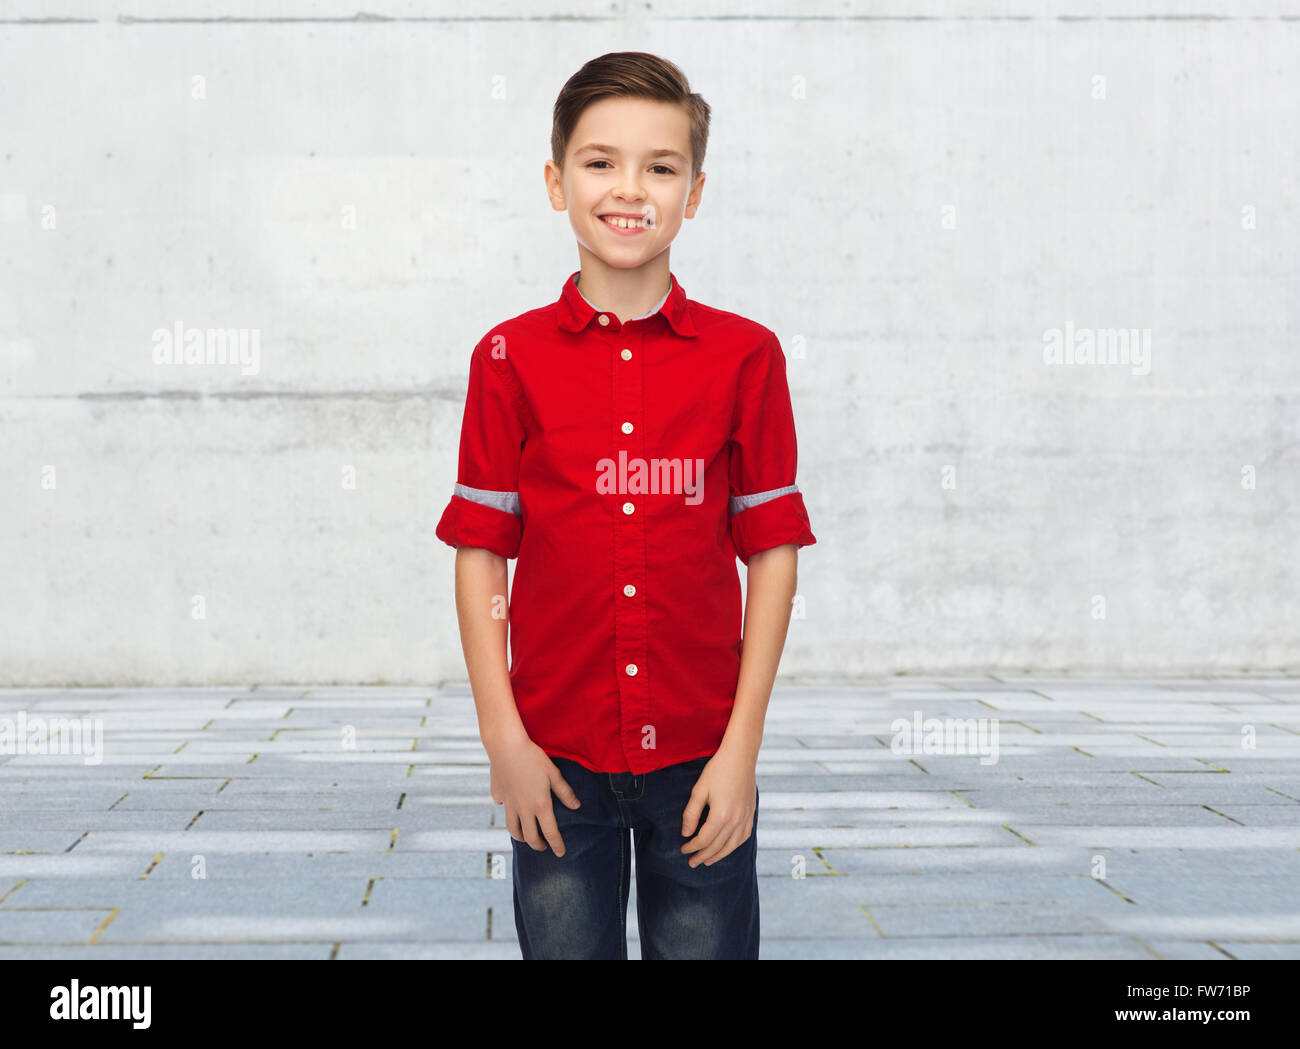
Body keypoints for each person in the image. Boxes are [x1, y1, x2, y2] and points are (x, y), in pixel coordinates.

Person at [435, 51, 816, 960]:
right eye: (600, 161)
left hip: (700, 755)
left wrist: (741, 755)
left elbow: (772, 551)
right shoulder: (507, 358)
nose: (629, 188)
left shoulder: (746, 357)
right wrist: (506, 743)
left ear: (696, 189)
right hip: (555, 760)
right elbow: (482, 551)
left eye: (662, 165)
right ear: (556, 182)